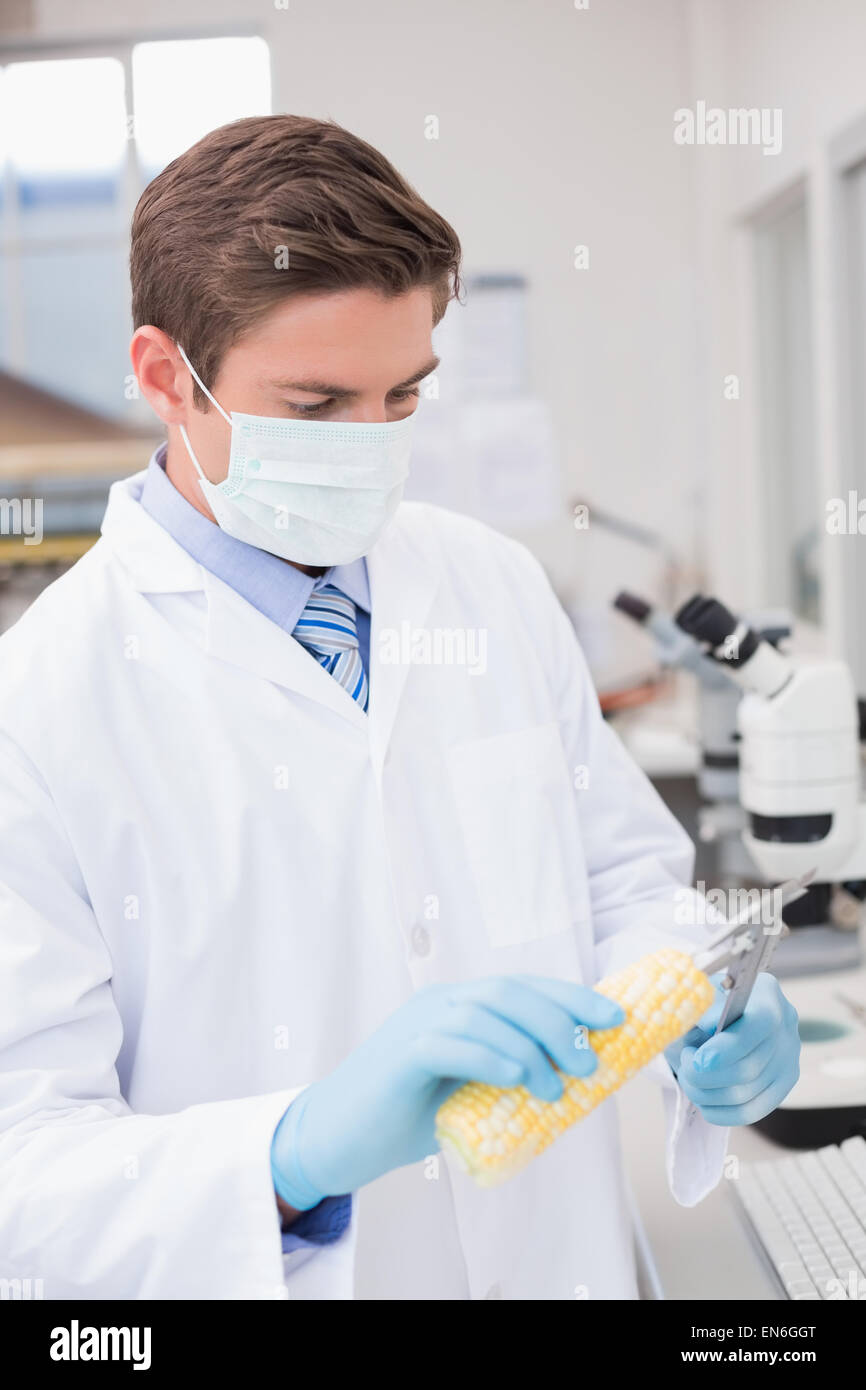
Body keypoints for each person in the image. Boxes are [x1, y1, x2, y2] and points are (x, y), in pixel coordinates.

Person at [0, 115, 799, 1300]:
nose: (370, 448)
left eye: (404, 398)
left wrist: (696, 1014)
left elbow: (618, 885)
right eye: (316, 406)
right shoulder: (42, 707)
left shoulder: (490, 584)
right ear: (168, 375)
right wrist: (292, 1151)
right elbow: (28, 1181)